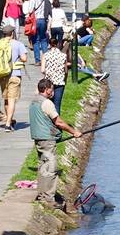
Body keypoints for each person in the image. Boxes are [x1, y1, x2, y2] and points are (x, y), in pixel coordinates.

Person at [29, 78, 81, 211]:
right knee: (51, 168)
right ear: (46, 90)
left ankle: (41, 194)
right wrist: (73, 131)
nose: (53, 92)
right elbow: (59, 122)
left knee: (43, 166)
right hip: (47, 139)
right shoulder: (47, 103)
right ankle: (49, 198)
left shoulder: (34, 101)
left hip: (38, 138)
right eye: (51, 89)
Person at [42, 35, 68, 112]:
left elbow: (42, 70)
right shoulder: (63, 55)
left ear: (49, 44)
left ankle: (48, 121)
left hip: (49, 82)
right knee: (57, 104)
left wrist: (48, 72)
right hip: (60, 81)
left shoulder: (45, 55)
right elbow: (66, 70)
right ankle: (56, 122)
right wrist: (65, 79)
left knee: (48, 103)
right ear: (57, 44)